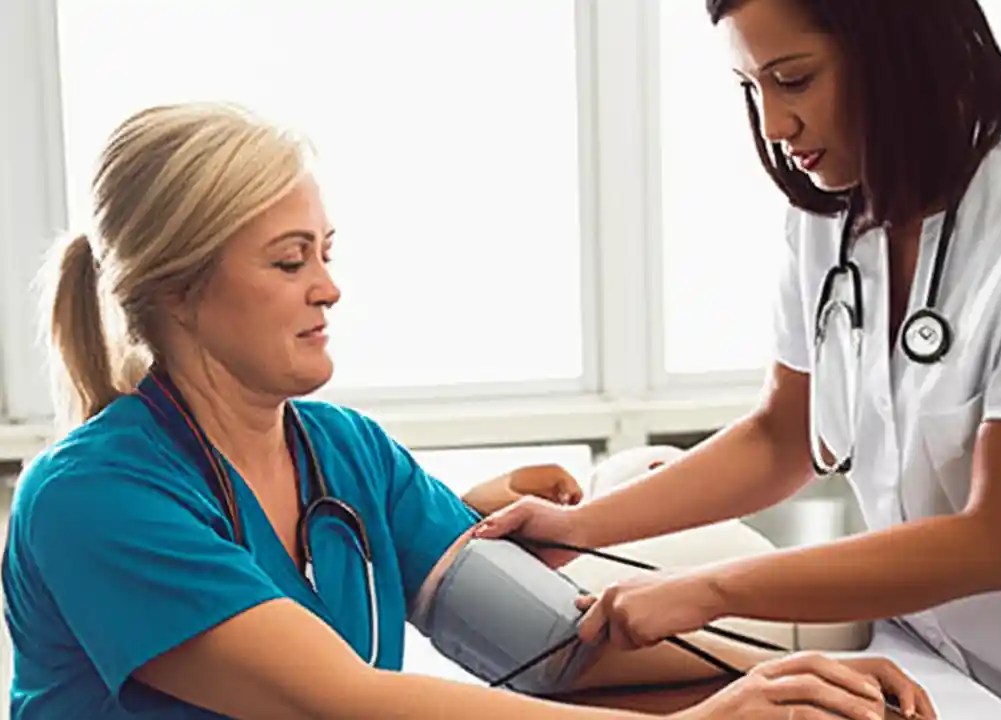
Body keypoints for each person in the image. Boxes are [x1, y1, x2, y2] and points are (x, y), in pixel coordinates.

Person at [0, 101, 934, 720]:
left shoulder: (342, 452)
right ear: (176, 291)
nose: (329, 288)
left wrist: (789, 677)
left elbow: (546, 646)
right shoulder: (94, 499)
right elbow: (337, 701)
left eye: (327, 251)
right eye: (289, 261)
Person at [477, 1, 1001, 718]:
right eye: (751, 87)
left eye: (794, 79)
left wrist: (710, 591)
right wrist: (583, 525)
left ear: (899, 43)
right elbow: (783, 438)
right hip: (936, 654)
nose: (776, 124)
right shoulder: (832, 204)